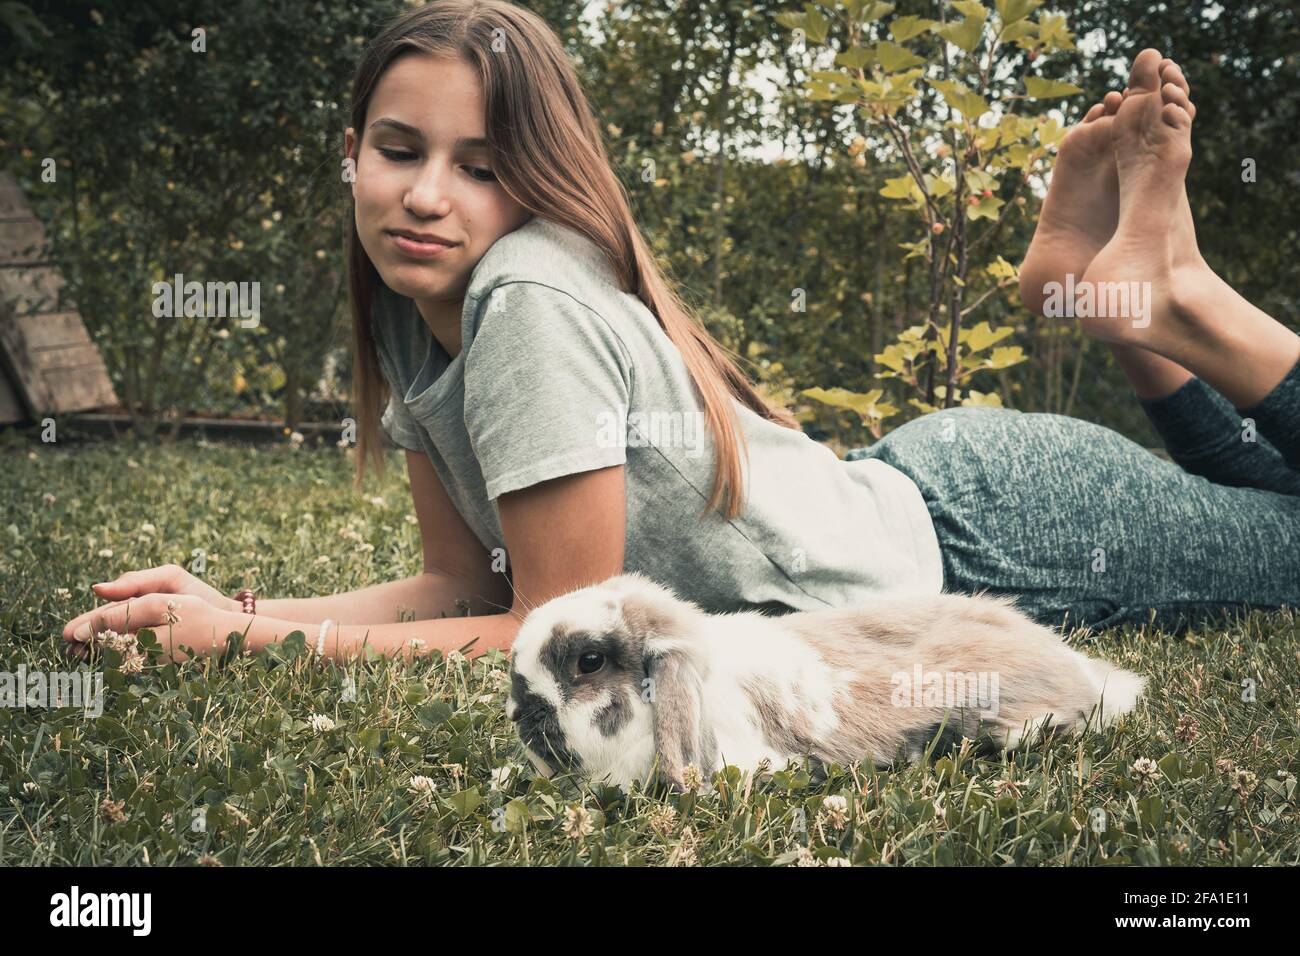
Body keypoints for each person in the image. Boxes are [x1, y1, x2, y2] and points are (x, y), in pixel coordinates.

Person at [63, 3, 1298, 665]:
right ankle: (1126, 313)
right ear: (352, 156)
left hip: (990, 541)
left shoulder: (527, 304)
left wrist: (267, 644)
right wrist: (244, 607)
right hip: (936, 486)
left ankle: (1179, 305)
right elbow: (464, 586)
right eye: (398, 151)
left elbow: (561, 628)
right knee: (1273, 503)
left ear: (534, 181)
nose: (428, 194)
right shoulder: (411, 315)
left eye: (481, 166)